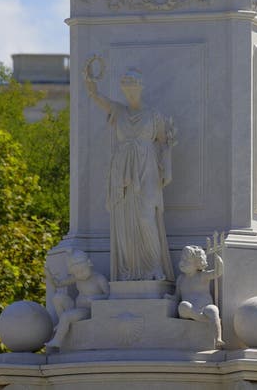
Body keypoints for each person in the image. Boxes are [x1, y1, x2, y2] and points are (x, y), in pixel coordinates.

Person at [84, 66, 176, 281]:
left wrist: (168, 168)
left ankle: (154, 266)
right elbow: (98, 97)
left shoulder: (154, 116)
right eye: (126, 88)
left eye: (134, 87)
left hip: (147, 168)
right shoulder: (119, 111)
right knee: (124, 220)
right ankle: (130, 269)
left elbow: (164, 143)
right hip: (122, 168)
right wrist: (90, 84)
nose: (130, 92)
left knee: (146, 216)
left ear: (141, 88)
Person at [46, 250, 109, 349]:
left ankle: (58, 339)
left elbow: (109, 295)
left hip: (88, 310)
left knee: (66, 316)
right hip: (75, 306)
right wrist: (49, 276)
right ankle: (62, 323)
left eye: (82, 271)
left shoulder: (99, 278)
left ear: (89, 264)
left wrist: (96, 298)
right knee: (57, 298)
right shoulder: (77, 278)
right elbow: (59, 284)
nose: (80, 275)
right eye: (77, 273)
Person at [168, 245, 224, 348]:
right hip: (189, 309)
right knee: (183, 306)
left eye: (186, 261)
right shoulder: (181, 279)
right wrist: (170, 298)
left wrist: (219, 262)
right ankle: (204, 319)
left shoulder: (202, 276)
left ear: (197, 263)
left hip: (204, 306)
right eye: (182, 260)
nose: (182, 263)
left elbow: (217, 273)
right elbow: (177, 295)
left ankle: (218, 338)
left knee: (213, 310)